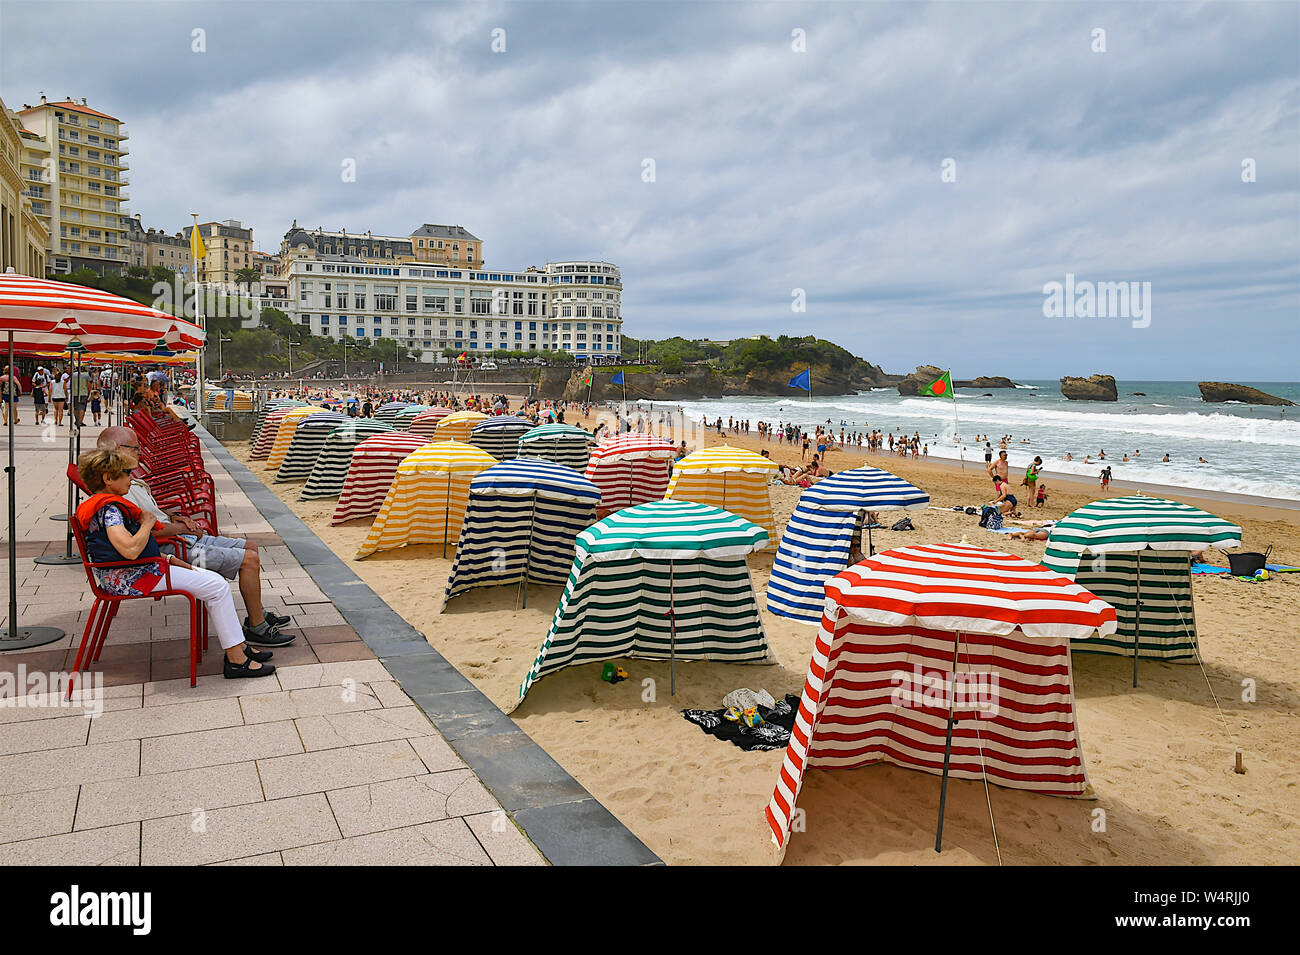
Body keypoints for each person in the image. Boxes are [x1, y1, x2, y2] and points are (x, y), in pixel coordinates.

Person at [76, 447, 277, 679]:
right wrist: (147, 522)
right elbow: (130, 550)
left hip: (131, 572)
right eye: (127, 473)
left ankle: (238, 648)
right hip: (132, 578)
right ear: (108, 478)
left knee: (215, 582)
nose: (132, 477)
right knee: (218, 587)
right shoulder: (110, 510)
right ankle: (237, 660)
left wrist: (168, 558)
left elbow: (119, 552)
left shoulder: (102, 505)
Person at [97, 427, 293, 645]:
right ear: (116, 449)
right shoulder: (118, 493)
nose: (139, 452)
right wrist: (181, 529)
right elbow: (147, 531)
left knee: (251, 547)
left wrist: (176, 517)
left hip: (181, 539)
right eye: (134, 448)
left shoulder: (126, 481)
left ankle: (257, 614)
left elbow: (152, 513)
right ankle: (257, 629)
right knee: (249, 560)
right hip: (173, 548)